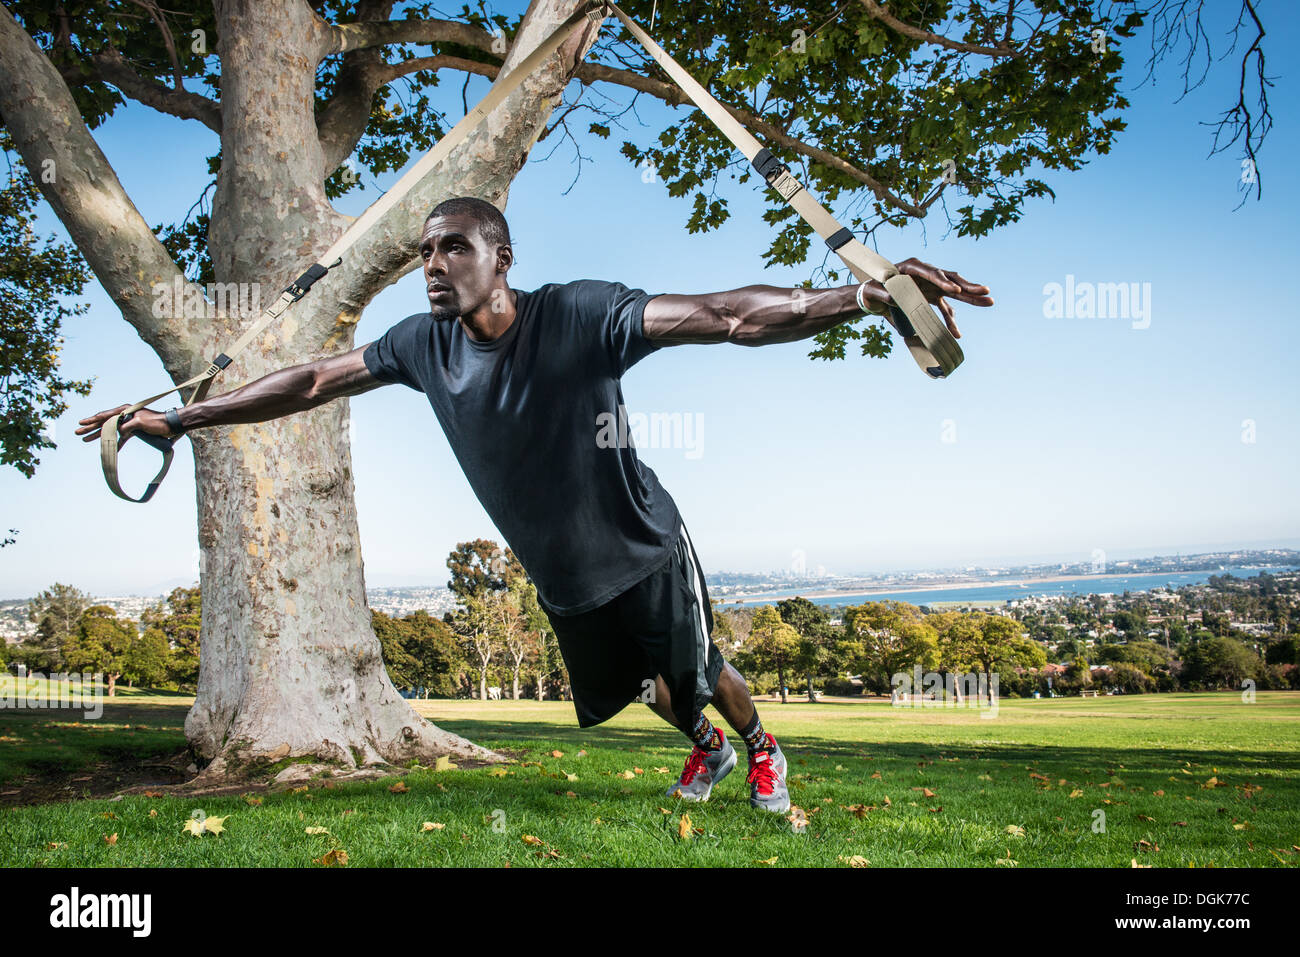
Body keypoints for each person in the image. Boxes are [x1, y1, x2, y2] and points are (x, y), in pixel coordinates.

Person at [77, 196, 992, 813]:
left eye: (454, 247)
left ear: (501, 258)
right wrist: (181, 418)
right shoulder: (419, 346)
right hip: (565, 576)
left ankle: (759, 746)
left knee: (697, 668)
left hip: (645, 546)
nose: (433, 264)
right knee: (645, 690)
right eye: (425, 251)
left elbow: (730, 314)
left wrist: (866, 294)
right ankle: (706, 748)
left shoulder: (582, 313)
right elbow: (314, 376)